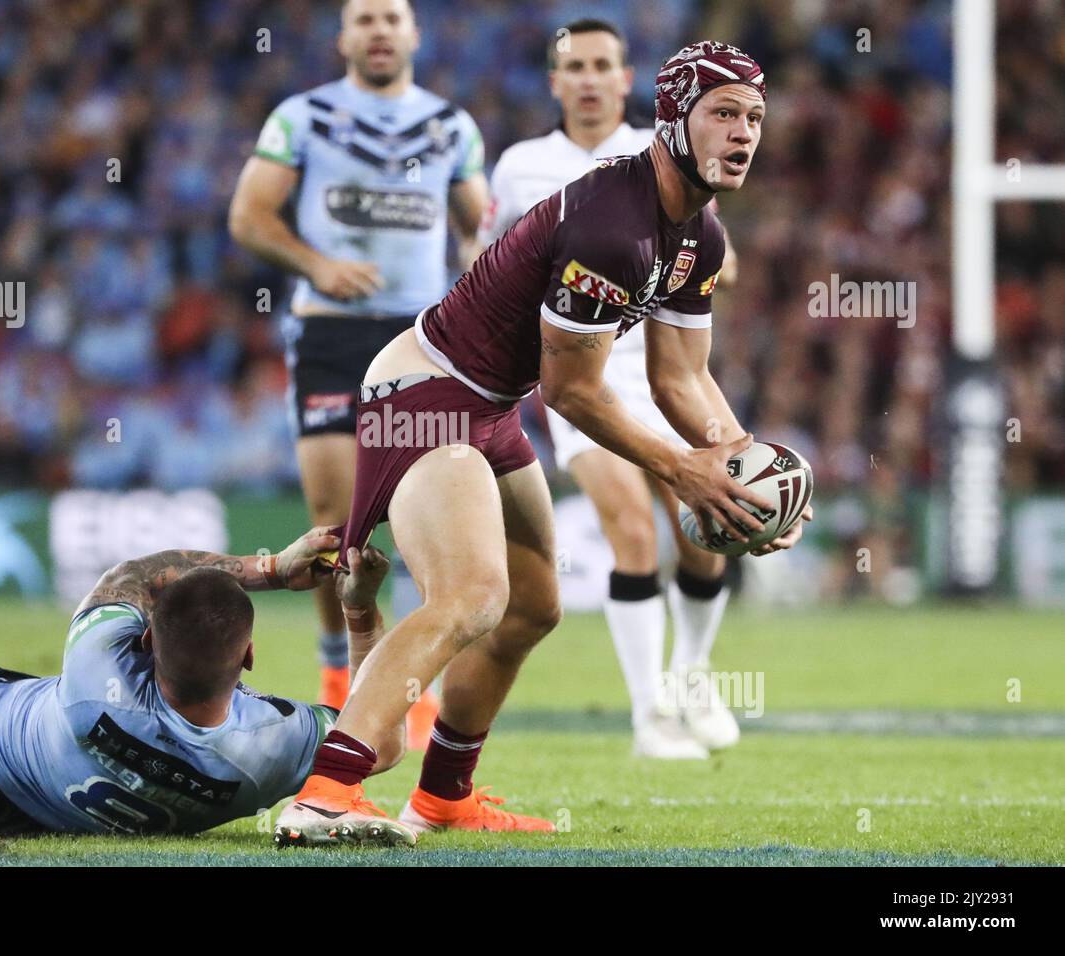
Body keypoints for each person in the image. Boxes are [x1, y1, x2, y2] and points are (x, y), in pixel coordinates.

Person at [273, 41, 812, 847]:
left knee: (532, 608)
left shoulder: (698, 232)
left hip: (488, 405)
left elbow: (679, 380)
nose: (744, 134)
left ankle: (444, 796)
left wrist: (742, 473)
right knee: (472, 597)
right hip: (424, 396)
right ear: (671, 118)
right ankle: (325, 791)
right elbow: (572, 393)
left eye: (755, 119)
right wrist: (684, 472)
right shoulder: (612, 227)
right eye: (724, 114)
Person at [0, 530, 403, 837]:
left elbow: (137, 571)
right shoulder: (273, 746)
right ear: (250, 658)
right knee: (54, 774)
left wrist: (268, 567)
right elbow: (384, 740)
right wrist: (359, 609)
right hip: (48, 818)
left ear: (147, 639)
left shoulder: (98, 665)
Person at [479, 19, 742, 760]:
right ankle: (649, 716)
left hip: (655, 362)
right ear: (555, 81)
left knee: (705, 529)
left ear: (628, 81)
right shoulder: (521, 166)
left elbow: (715, 264)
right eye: (576, 66)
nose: (590, 78)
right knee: (631, 530)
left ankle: (692, 674)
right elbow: (488, 260)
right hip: (578, 377)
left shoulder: (665, 153)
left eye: (604, 65)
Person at [229, 0, 487, 737]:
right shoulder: (303, 117)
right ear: (344, 37)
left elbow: (479, 230)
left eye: (391, 17)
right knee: (339, 521)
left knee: (429, 515)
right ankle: (341, 674)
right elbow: (250, 216)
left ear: (413, 33)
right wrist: (318, 265)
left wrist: (479, 287)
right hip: (333, 331)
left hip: (422, 336)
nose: (379, 29)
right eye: (365, 17)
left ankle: (412, 685)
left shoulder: (449, 127)